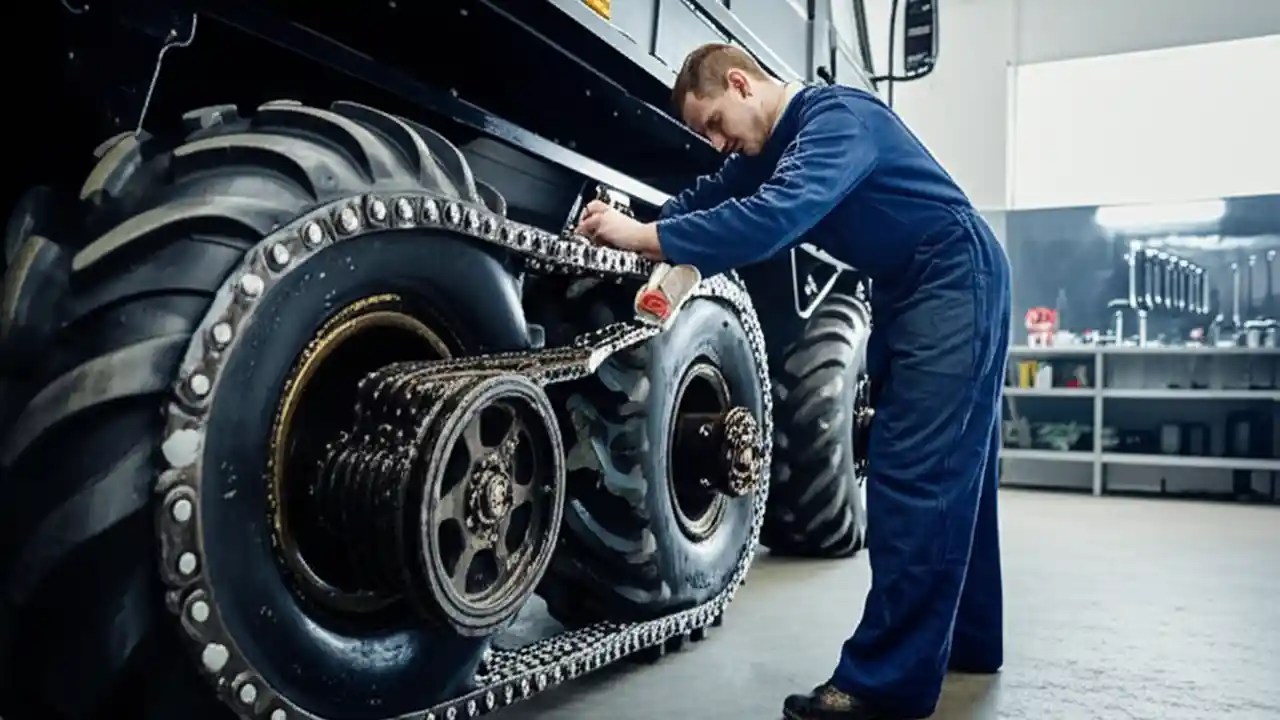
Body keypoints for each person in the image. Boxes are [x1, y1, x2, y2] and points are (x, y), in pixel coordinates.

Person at [575, 43, 1010, 720]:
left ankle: (884, 687)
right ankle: (971, 642)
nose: (717, 143)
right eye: (705, 135)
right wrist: (627, 225)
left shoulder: (837, 120)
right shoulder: (761, 155)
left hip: (953, 274)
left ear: (742, 85)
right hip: (910, 285)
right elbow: (700, 202)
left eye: (716, 122)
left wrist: (641, 237)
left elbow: (770, 220)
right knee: (958, 470)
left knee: (912, 475)